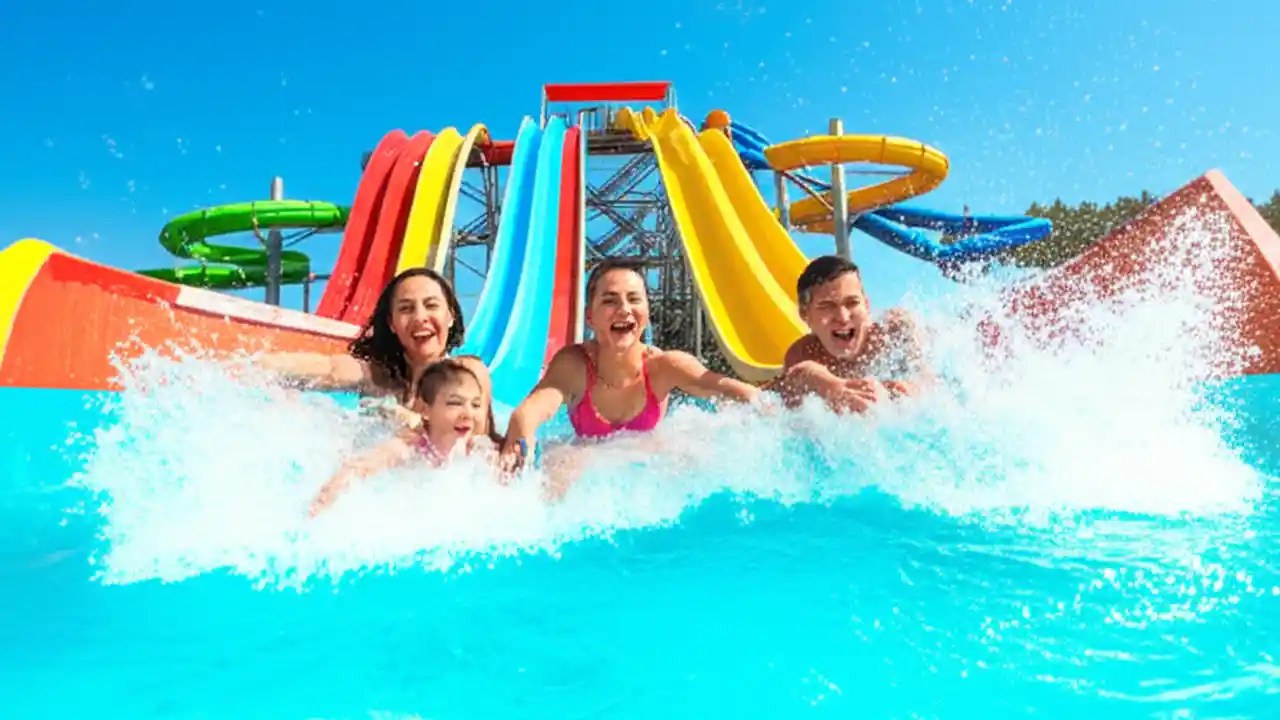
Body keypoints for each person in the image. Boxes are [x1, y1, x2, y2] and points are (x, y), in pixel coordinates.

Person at [498, 258, 761, 473]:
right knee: (563, 462)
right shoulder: (575, 366)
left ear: (647, 312)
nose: (624, 309)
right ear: (590, 316)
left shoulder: (664, 366)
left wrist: (764, 409)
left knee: (689, 453)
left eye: (634, 299)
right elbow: (531, 410)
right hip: (588, 461)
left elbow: (718, 385)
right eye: (610, 300)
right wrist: (520, 442)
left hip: (647, 459)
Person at [255, 267, 493, 432]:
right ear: (391, 324)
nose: (420, 317)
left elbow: (473, 442)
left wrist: (410, 422)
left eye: (431, 305)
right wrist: (251, 369)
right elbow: (330, 368)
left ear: (451, 315)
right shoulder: (378, 378)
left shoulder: (467, 373)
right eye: (406, 309)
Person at [309, 360, 501, 516]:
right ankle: (386, 409)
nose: (468, 413)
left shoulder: (471, 447)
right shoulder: (410, 448)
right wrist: (322, 502)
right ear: (426, 410)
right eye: (455, 403)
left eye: (475, 405)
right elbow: (359, 468)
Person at [772, 255, 931, 413]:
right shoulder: (804, 354)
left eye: (852, 303)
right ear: (805, 314)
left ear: (867, 305)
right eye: (827, 306)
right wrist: (828, 385)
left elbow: (933, 384)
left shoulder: (894, 331)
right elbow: (792, 388)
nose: (842, 317)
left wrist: (907, 389)